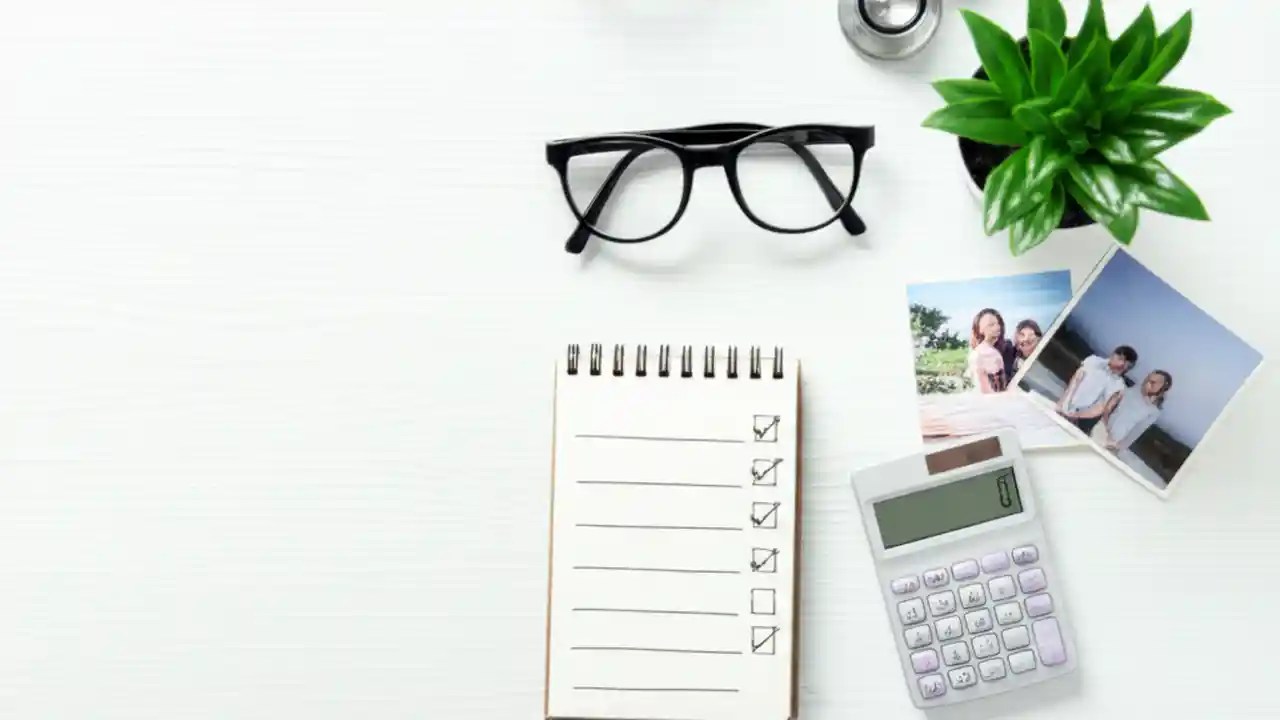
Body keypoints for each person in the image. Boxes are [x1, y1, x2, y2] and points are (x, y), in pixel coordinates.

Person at [1056, 345, 1138, 433]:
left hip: (1080, 423)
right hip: (1064, 407)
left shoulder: (1119, 387)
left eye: (1125, 365)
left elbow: (1101, 407)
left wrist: (1075, 416)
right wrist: (1062, 403)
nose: (1120, 364)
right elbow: (1076, 380)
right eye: (1119, 357)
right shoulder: (1093, 360)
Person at [1089, 370, 1173, 452]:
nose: (1149, 382)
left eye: (1155, 382)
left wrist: (1119, 447)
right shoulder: (1132, 390)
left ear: (1163, 388)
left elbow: (1137, 431)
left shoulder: (1153, 411)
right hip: (1101, 427)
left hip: (1114, 440)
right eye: (1148, 379)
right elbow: (1111, 405)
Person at [968, 308, 1008, 394]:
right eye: (991, 325)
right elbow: (982, 389)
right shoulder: (980, 354)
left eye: (998, 323)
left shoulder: (995, 351)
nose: (997, 327)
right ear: (980, 330)